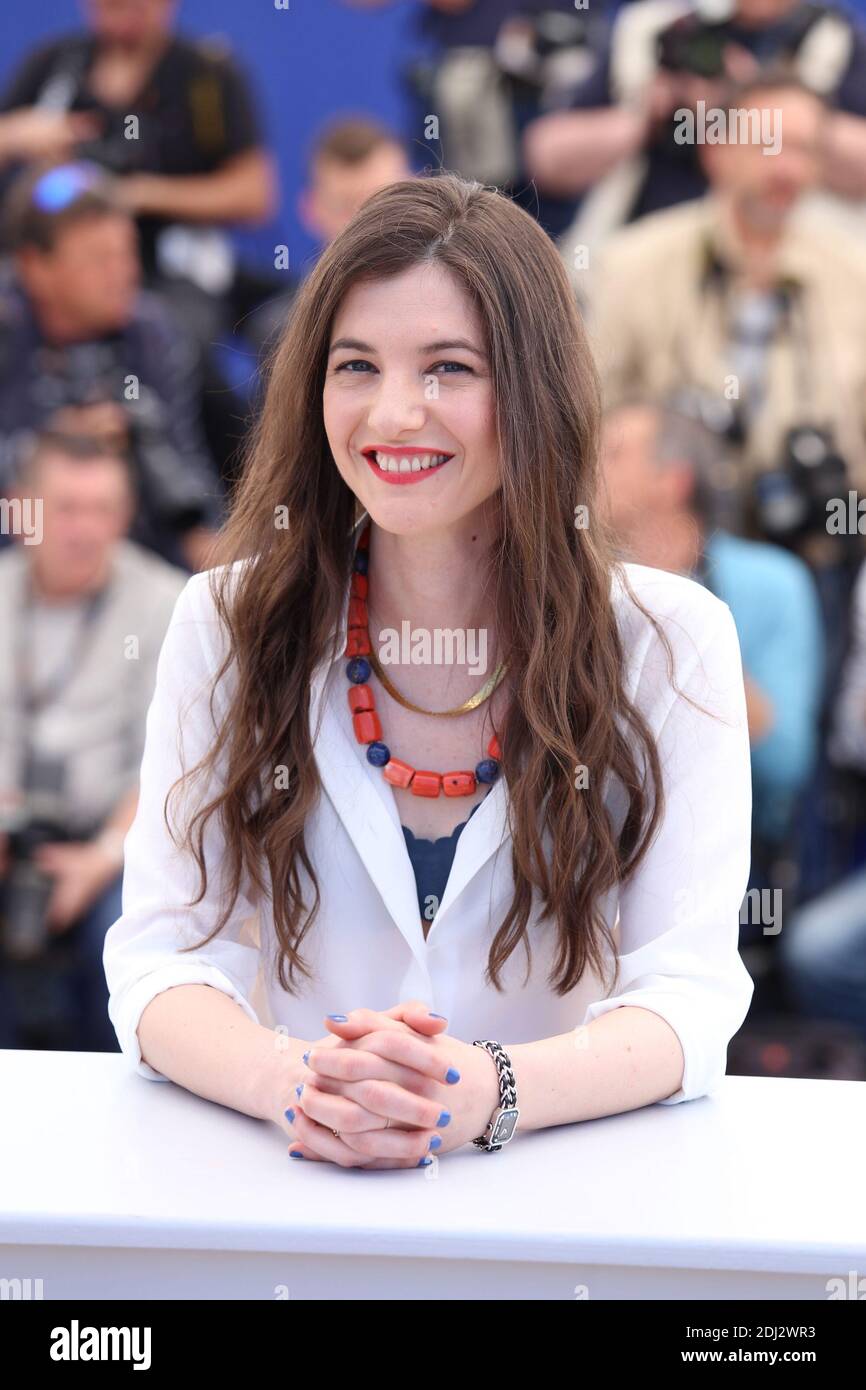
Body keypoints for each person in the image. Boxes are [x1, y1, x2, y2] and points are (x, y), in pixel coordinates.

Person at [103, 172, 754, 1170]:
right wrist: (296, 1084)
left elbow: (687, 997)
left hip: (566, 1216)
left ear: (532, 389)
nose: (394, 413)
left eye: (448, 368)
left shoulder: (669, 639)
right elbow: (161, 959)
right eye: (355, 365)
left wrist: (480, 1092)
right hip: (293, 1209)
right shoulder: (227, 620)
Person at [0, 430, 187, 1050]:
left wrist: (105, 853)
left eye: (102, 510)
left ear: (127, 516)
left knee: (128, 936)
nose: (83, 530)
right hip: (11, 828)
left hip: (116, 841)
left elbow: (174, 759)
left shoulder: (168, 604)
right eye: (65, 509)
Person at [599, 399, 824, 898]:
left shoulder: (771, 583)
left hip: (736, 873)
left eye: (613, 454)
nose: (589, 466)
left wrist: (683, 617)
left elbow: (787, 760)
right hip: (601, 863)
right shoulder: (586, 588)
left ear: (672, 481)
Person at [0, 160, 223, 569]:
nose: (124, 274)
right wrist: (55, 451)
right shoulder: (7, 331)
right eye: (99, 260)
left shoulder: (153, 331)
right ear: (35, 267)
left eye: (127, 253)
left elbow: (184, 468)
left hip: (136, 569)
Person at [524, 0, 866, 253]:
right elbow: (546, 156)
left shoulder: (832, 40)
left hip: (778, 266)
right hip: (636, 258)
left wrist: (760, 103)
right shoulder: (655, 29)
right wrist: (646, 115)